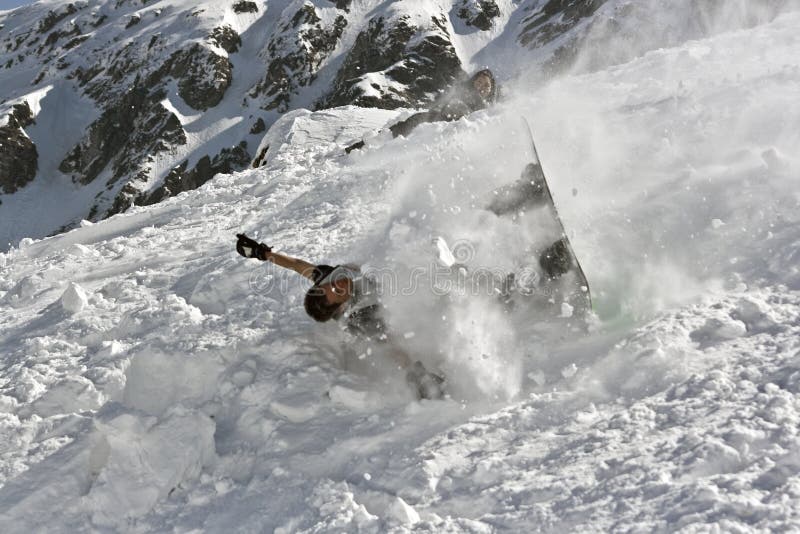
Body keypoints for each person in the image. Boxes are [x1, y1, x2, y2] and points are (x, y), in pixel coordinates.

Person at [234, 234, 446, 400]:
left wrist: (260, 252)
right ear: (341, 306)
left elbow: (295, 264)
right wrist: (417, 374)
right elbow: (389, 345)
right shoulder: (363, 315)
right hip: (399, 288)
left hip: (380, 272)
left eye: (330, 285)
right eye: (337, 291)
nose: (339, 283)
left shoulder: (325, 278)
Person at [345, 69, 499, 153]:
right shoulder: (464, 91)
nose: (482, 87)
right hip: (436, 120)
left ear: (491, 90)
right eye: (479, 82)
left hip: (449, 138)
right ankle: (362, 147)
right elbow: (449, 106)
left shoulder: (487, 110)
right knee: (397, 131)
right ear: (473, 82)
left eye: (486, 86)